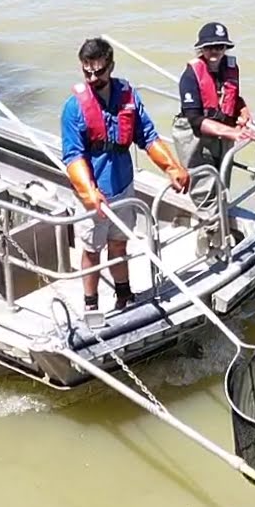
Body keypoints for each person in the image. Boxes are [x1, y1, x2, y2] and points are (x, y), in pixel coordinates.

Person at [61, 37, 189, 313]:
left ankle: (124, 295)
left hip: (122, 187)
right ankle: (91, 305)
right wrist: (89, 192)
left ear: (111, 66)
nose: (92, 78)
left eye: (99, 71)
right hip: (93, 195)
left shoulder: (128, 98)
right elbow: (73, 156)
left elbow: (148, 136)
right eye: (87, 72)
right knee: (92, 250)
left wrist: (171, 167)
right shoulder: (73, 108)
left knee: (119, 244)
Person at [173, 21, 255, 210]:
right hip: (195, 136)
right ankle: (209, 224)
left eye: (219, 47)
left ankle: (220, 218)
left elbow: (233, 98)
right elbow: (195, 120)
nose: (214, 51)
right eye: (209, 47)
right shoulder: (189, 76)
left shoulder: (230, 69)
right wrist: (234, 133)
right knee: (205, 193)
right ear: (201, 49)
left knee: (222, 187)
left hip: (221, 134)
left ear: (225, 48)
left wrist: (244, 111)